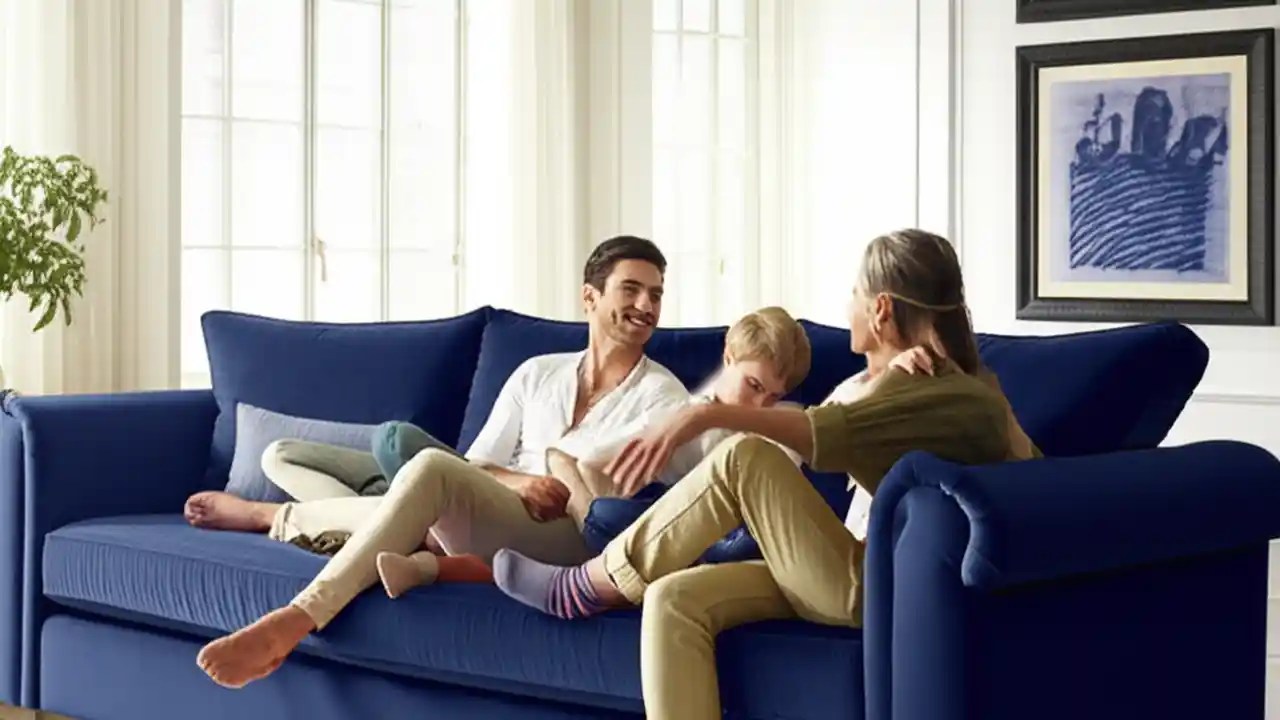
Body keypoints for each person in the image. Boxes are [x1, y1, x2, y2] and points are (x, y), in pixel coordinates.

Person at [490, 229, 1040, 720]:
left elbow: (816, 436)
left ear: (881, 310)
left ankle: (591, 584)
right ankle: (607, 579)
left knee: (745, 459)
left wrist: (702, 413)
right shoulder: (918, 382)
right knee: (674, 598)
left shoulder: (935, 390)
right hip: (846, 563)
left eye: (853, 293)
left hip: (872, 586)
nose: (846, 305)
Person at [377, 305, 814, 598]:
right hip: (552, 506)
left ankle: (429, 551)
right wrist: (582, 507)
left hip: (602, 538)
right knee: (395, 447)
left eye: (773, 398)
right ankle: (433, 551)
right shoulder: (680, 415)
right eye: (754, 387)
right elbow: (564, 459)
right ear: (729, 356)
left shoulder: (764, 436)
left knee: (413, 461)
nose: (759, 406)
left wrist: (594, 522)